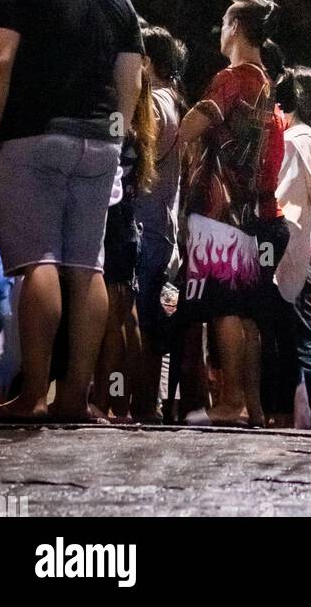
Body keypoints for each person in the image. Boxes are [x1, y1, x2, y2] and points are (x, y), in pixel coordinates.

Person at [0, 0, 143, 424]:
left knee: (39, 263)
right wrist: (116, 137)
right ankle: (75, 397)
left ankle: (32, 395)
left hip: (34, 139)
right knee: (86, 266)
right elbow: (131, 79)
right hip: (99, 144)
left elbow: (0, 60)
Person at [179, 0, 280, 427]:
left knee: (221, 308)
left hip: (216, 208)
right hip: (242, 211)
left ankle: (230, 403)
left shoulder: (232, 78)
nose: (220, 29)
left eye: (224, 20)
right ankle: (245, 405)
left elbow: (191, 127)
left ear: (236, 26)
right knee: (238, 310)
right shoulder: (264, 82)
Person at [93, 75, 158, 420]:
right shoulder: (139, 128)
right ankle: (126, 403)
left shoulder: (122, 129)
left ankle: (107, 401)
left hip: (116, 232)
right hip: (127, 231)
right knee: (122, 323)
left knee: (111, 328)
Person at [134, 25, 186, 422]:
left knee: (139, 315)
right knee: (151, 320)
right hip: (160, 227)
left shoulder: (157, 104)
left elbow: (137, 147)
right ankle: (146, 404)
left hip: (148, 227)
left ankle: (137, 403)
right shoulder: (173, 101)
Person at [275, 66, 311, 428]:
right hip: (303, 249)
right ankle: (310, 417)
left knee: (303, 338)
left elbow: (278, 193)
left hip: (287, 248)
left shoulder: (294, 138)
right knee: (301, 336)